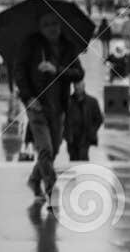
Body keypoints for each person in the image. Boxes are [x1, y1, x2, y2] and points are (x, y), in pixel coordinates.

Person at [13, 11, 84, 206]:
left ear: (60, 26)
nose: (51, 28)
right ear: (40, 27)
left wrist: (57, 70)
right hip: (36, 106)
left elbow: (78, 73)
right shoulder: (30, 45)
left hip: (59, 107)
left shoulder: (68, 47)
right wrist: (28, 97)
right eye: (46, 24)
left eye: (55, 24)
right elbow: (19, 71)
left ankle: (34, 179)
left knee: (53, 151)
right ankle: (52, 189)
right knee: (45, 149)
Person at [64, 75, 103, 162]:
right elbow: (63, 119)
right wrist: (66, 133)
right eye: (76, 85)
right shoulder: (68, 101)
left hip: (85, 136)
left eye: (79, 85)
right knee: (73, 160)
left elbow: (99, 119)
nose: (77, 87)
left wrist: (92, 131)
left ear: (84, 85)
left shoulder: (92, 101)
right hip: (72, 137)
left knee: (83, 158)